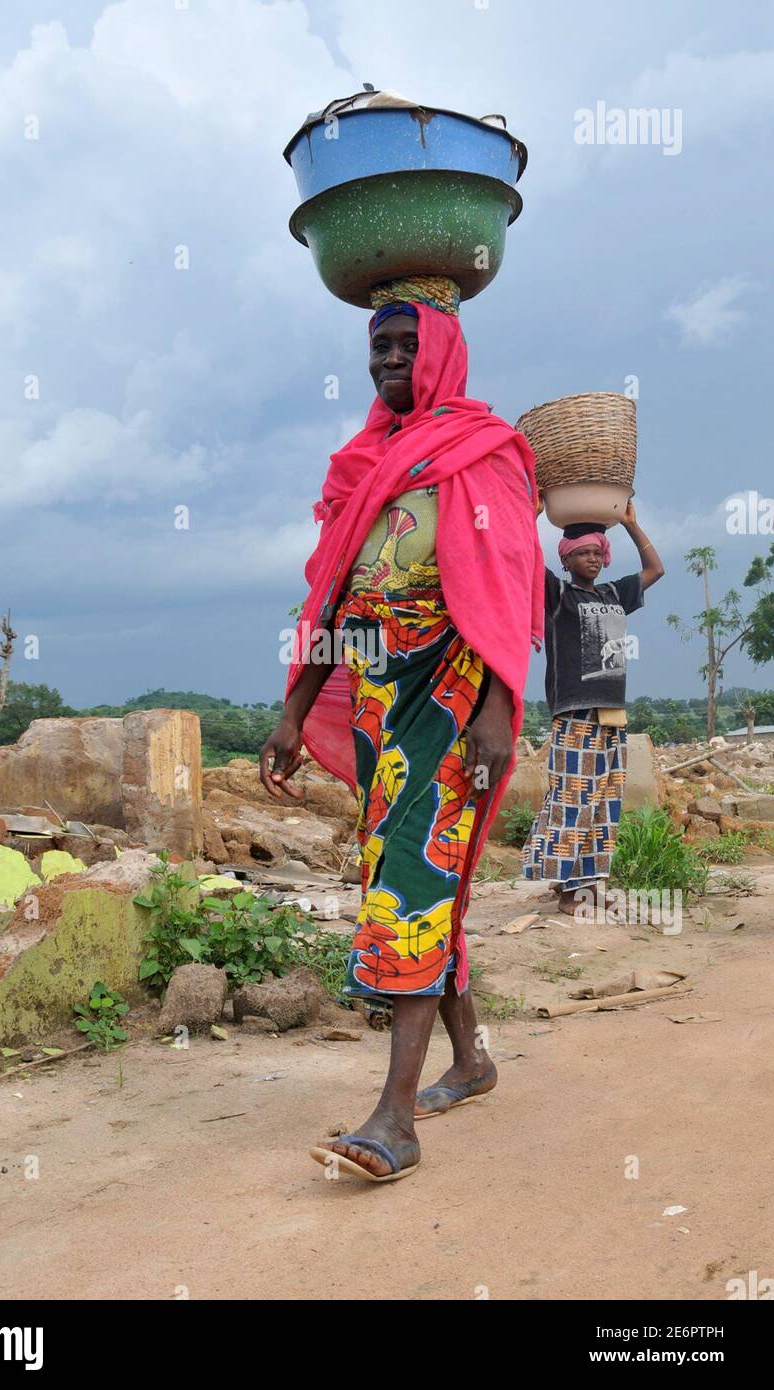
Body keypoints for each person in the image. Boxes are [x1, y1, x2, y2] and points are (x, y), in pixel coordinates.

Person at [259, 275, 544, 1182]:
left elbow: (507, 585)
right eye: (377, 348)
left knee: (412, 875)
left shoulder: (483, 453)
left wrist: (501, 702)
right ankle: (472, 1062)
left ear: (441, 354)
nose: (388, 360)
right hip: (381, 703)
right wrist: (297, 707)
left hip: (454, 698)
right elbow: (333, 594)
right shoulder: (363, 464)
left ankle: (394, 1120)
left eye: (404, 346)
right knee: (414, 867)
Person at [522, 505, 664, 916]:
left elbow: (655, 569)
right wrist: (530, 516)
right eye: (584, 553)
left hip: (610, 712)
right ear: (565, 558)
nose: (594, 559)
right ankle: (567, 890)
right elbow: (526, 558)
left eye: (598, 552)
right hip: (574, 711)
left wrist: (633, 524)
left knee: (603, 802)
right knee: (572, 799)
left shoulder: (614, 594)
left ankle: (589, 886)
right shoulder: (558, 596)